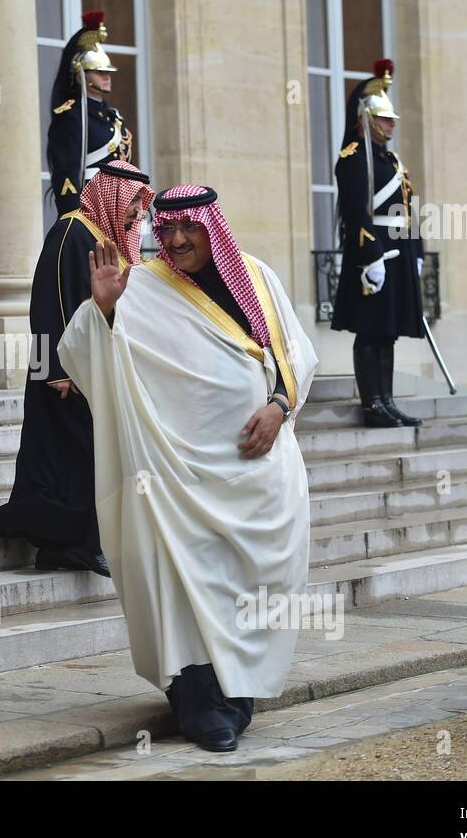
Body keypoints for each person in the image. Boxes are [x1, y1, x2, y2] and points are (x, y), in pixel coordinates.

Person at [58, 183, 318, 753]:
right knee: (185, 583)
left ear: (213, 227)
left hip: (258, 472)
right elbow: (80, 352)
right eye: (166, 228)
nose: (175, 240)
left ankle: (238, 694)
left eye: (189, 229)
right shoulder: (139, 286)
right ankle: (200, 701)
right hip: (173, 477)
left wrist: (278, 407)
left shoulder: (257, 278)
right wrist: (104, 309)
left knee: (254, 582)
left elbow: (295, 354)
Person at [0, 161, 153, 578]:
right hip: (62, 379)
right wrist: (54, 371)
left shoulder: (105, 238)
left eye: (141, 203)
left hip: (95, 373)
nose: (138, 211)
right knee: (71, 458)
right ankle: (70, 546)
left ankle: (78, 544)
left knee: (91, 459)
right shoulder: (70, 231)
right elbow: (47, 304)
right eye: (132, 200)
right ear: (112, 194)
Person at [328, 58, 425, 428]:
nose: (390, 125)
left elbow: (409, 207)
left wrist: (415, 251)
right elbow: (356, 210)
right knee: (371, 328)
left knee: (388, 331)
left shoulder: (392, 159)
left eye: (392, 120)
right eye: (384, 119)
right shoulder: (353, 157)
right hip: (374, 252)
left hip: (398, 251)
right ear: (366, 117)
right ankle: (372, 404)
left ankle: (387, 400)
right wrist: (372, 256)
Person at [46, 11, 133, 216]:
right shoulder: (71, 116)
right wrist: (73, 215)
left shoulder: (113, 117)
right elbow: (66, 171)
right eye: (100, 72)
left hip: (120, 206)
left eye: (108, 73)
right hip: (90, 206)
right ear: (80, 77)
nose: (106, 78)